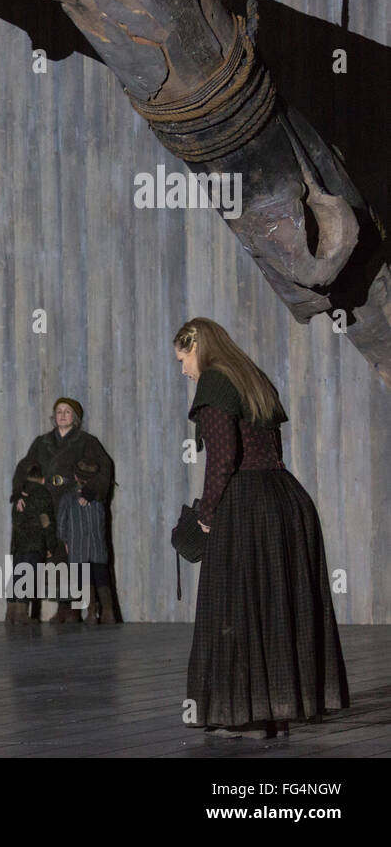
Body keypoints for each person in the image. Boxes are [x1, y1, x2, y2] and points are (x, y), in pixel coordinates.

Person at [175, 317, 347, 739]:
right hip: (286, 499)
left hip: (247, 503)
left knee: (234, 606)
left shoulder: (215, 381)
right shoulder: (251, 376)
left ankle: (247, 716)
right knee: (275, 606)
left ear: (198, 346)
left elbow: (222, 460)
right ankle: (276, 713)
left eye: (184, 358)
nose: (184, 369)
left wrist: (207, 517)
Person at [11, 397, 115, 622]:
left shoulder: (87, 441)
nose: (63, 415)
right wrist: (19, 491)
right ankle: (61, 606)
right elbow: (25, 465)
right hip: (46, 503)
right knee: (53, 557)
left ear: (75, 418)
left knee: (73, 556)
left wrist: (91, 491)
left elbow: (104, 468)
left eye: (68, 411)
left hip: (72, 505)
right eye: (59, 411)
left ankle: (73, 608)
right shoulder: (42, 442)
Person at [54, 459, 112, 623]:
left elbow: (61, 524)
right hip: (97, 544)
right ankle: (109, 613)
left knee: (84, 579)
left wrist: (65, 540)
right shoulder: (99, 497)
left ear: (75, 476)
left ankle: (92, 613)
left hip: (77, 545)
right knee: (102, 577)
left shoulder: (68, 497)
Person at [6, 463, 58, 625]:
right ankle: (22, 614)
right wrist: (51, 545)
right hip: (34, 543)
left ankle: (11, 613)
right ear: (42, 479)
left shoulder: (18, 495)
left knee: (17, 575)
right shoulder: (41, 493)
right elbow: (45, 521)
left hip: (17, 543)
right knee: (28, 576)